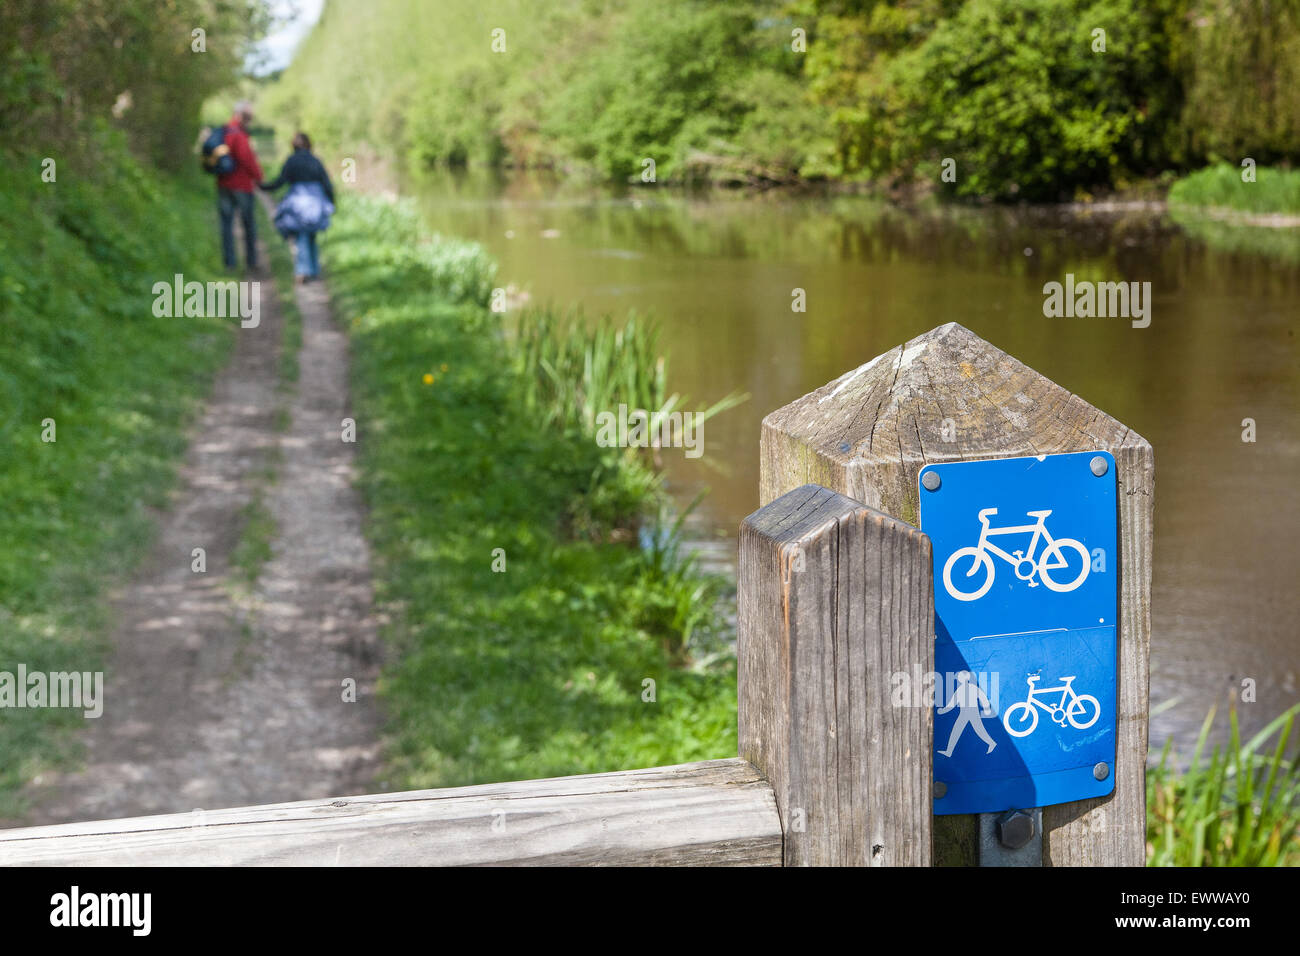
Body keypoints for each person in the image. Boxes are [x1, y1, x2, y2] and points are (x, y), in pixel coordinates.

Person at [259, 132, 335, 284]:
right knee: (311, 235)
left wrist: (264, 187)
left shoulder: (292, 161)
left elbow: (280, 181)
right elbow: (327, 183)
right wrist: (332, 202)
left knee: (301, 236)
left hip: (298, 204)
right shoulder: (316, 161)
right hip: (315, 203)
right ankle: (313, 270)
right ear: (309, 145)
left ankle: (303, 271)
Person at [216, 101, 264, 272]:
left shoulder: (223, 131)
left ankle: (229, 263)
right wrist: (259, 177)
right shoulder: (238, 134)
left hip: (223, 184)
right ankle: (251, 262)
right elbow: (246, 158)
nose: (249, 119)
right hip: (241, 186)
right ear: (241, 115)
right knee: (248, 224)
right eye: (248, 115)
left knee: (226, 225)